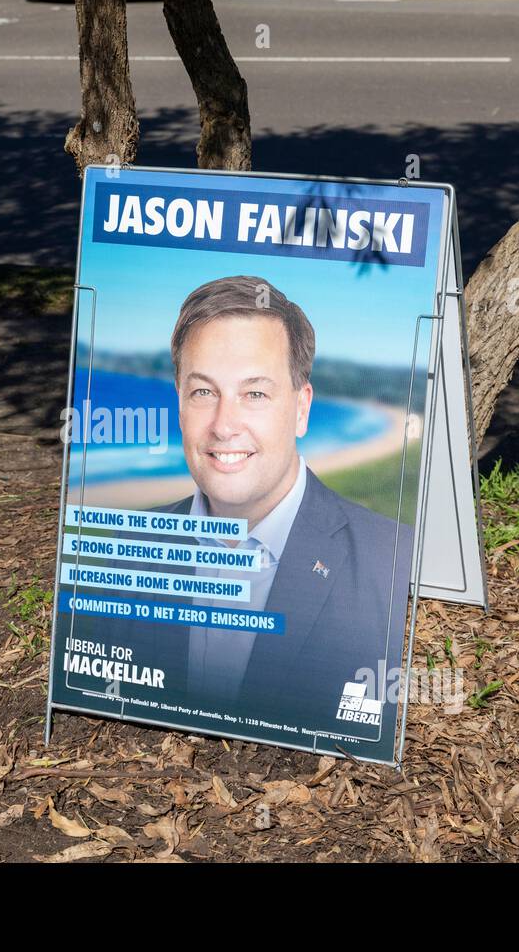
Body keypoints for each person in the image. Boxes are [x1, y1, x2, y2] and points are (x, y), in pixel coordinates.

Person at [90, 275, 415, 733]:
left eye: (255, 394)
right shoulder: (125, 550)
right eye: (204, 392)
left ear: (301, 409)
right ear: (179, 405)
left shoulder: (392, 558)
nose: (225, 425)